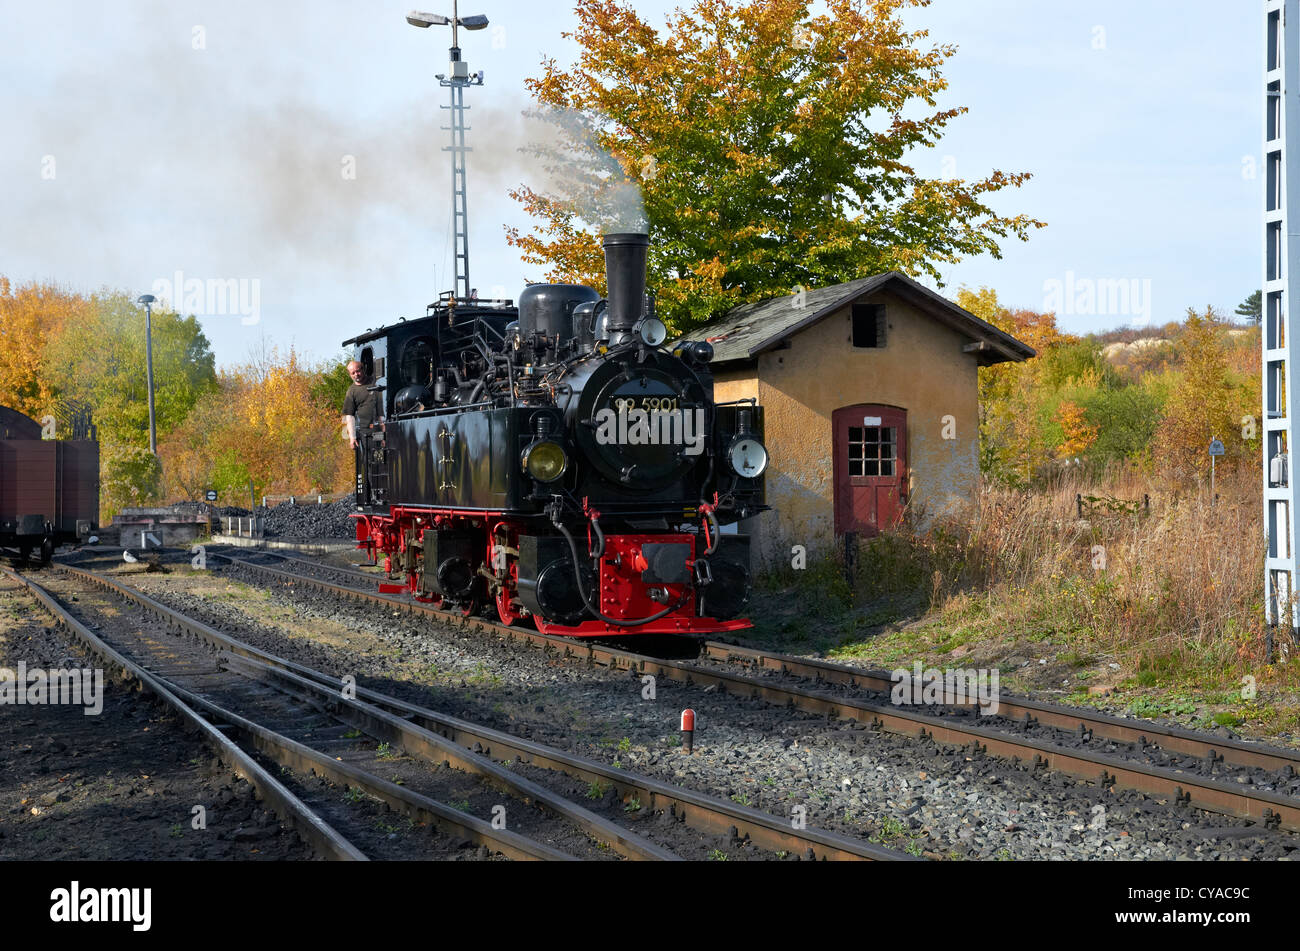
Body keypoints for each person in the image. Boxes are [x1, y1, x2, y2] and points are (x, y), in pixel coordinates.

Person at [342, 360, 382, 450]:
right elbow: (349, 416)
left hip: (384, 429)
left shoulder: (376, 381)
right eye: (353, 373)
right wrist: (352, 437)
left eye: (358, 371)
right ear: (350, 375)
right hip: (367, 435)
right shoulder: (351, 391)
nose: (356, 374)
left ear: (363, 369)